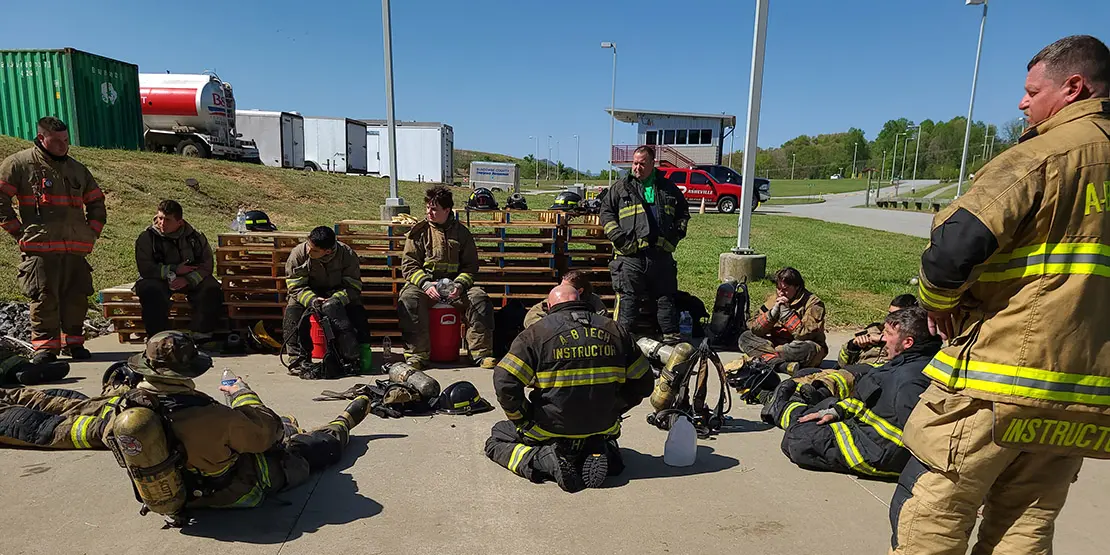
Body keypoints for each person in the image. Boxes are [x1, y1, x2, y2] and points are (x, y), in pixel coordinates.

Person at [890, 35, 1110, 554]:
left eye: (1032, 90)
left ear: (1073, 88)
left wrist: (939, 308)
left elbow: (950, 251)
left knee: (935, 509)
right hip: (1081, 397)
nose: (1022, 102)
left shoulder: (1044, 155)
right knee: (1026, 524)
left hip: (998, 381)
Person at [0, 331, 373, 513]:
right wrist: (242, 392)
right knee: (309, 448)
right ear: (186, 372)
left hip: (175, 490)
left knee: (67, 405)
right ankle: (348, 418)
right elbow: (265, 433)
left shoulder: (130, 408)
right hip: (226, 493)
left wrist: (14, 398)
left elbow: (55, 420)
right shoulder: (211, 416)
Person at [485, 284, 653, 492]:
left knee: (498, 436)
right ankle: (600, 452)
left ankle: (541, 460)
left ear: (548, 306)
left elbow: (504, 380)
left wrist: (523, 418)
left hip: (551, 427)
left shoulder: (536, 334)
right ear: (582, 301)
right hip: (604, 425)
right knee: (604, 440)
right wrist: (617, 408)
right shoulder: (616, 330)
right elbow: (644, 383)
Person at [760, 307, 940, 479]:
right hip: (867, 434)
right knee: (814, 413)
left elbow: (919, 438)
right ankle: (777, 404)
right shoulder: (903, 362)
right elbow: (866, 397)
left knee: (798, 439)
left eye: (889, 335)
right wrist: (835, 412)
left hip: (876, 452)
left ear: (908, 342)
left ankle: (774, 403)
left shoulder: (911, 381)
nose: (882, 339)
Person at [0, 117, 107, 364]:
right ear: (41, 138)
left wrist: (92, 231)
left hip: (76, 249)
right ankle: (45, 348)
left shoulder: (77, 169)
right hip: (40, 249)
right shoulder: (19, 164)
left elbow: (96, 202)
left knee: (77, 296)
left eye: (66, 140)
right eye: (56, 141)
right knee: (44, 296)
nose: (63, 146)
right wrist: (19, 232)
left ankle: (74, 342)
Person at [599, 145, 690, 342]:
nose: (637, 167)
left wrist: (675, 236)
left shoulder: (668, 188)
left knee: (666, 298)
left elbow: (683, 213)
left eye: (642, 163)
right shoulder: (620, 187)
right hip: (630, 257)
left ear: (652, 164)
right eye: (634, 163)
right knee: (627, 300)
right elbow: (606, 213)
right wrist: (620, 239)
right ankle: (623, 342)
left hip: (660, 255)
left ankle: (671, 343)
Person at [398, 186, 496, 369]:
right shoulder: (419, 232)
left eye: (434, 209)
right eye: (427, 208)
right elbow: (409, 265)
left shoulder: (462, 233)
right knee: (409, 299)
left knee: (479, 299)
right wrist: (426, 285)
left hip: (456, 287)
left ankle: (480, 354)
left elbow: (471, 266)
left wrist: (459, 285)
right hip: (426, 286)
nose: (429, 212)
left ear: (447, 210)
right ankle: (417, 355)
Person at [282, 226, 370, 374]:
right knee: (293, 309)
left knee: (357, 311)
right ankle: (297, 358)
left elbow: (354, 286)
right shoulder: (298, 254)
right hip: (307, 292)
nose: (309, 251)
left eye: (315, 250)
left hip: (338, 293)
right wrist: (312, 300)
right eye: (309, 245)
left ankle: (354, 354)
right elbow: (294, 285)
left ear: (328, 251)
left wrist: (335, 300)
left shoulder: (346, 254)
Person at [134, 200, 224, 340]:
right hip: (158, 279)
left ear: (180, 222)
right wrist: (174, 270)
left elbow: (206, 266)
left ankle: (201, 333)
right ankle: (158, 337)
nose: (162, 223)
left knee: (211, 288)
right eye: (160, 218)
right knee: (150, 291)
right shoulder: (147, 238)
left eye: (167, 220)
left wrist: (187, 279)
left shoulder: (195, 238)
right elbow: (145, 268)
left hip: (189, 278)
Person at [738, 267, 827, 374]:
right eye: (778, 288)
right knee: (745, 337)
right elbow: (754, 328)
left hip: (798, 347)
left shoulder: (813, 303)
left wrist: (786, 314)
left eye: (785, 289)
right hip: (776, 344)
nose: (780, 293)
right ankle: (782, 365)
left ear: (797, 287)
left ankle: (764, 358)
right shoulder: (774, 299)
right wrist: (771, 315)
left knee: (806, 348)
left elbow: (804, 335)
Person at [838, 293, 918, 368]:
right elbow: (841, 364)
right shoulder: (873, 330)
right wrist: (853, 346)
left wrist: (884, 339)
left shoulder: (913, 341)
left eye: (895, 316)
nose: (889, 319)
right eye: (889, 314)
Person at [523, 269, 607, 328]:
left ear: (580, 291)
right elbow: (531, 318)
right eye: (560, 286)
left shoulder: (594, 302)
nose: (560, 289)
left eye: (566, 287)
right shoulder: (555, 298)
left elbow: (602, 323)